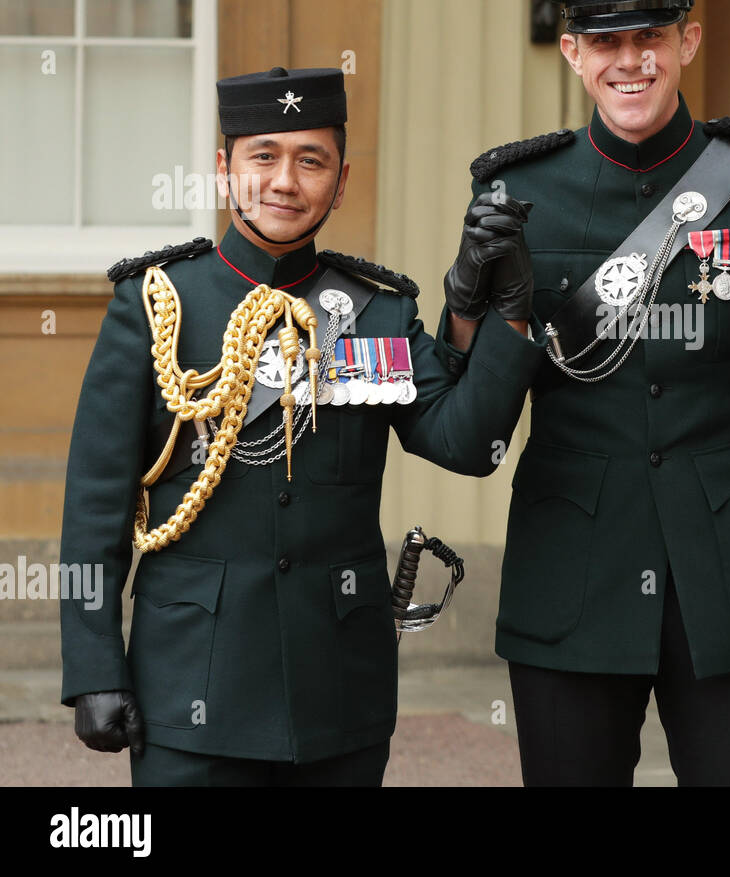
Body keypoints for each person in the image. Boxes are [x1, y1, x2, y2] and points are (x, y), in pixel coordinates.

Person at [440, 0, 730, 786]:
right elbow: (463, 430)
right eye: (606, 42)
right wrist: (468, 301)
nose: (631, 60)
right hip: (571, 575)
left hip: (729, 578)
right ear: (573, 53)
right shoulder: (515, 196)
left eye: (652, 35)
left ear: (690, 41)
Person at [59, 65, 538, 786]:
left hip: (337, 690)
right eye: (264, 156)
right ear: (226, 170)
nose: (285, 181)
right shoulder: (160, 303)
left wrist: (500, 308)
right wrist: (94, 666)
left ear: (340, 182)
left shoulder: (378, 311)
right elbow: (95, 502)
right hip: (193, 684)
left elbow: (465, 443)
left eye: (310, 160)